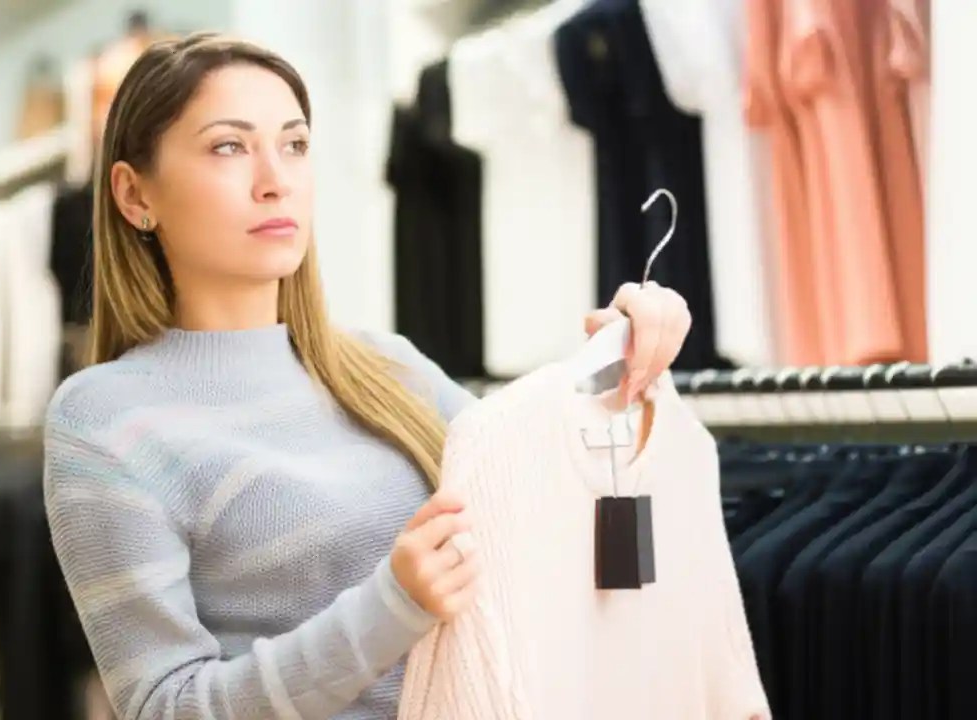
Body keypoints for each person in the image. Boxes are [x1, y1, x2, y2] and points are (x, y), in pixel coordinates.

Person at [43, 31, 692, 720]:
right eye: (228, 146)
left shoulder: (386, 367)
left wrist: (625, 361)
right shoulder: (105, 418)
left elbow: (552, 488)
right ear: (134, 194)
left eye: (294, 144)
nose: (276, 178)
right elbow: (164, 707)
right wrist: (393, 609)